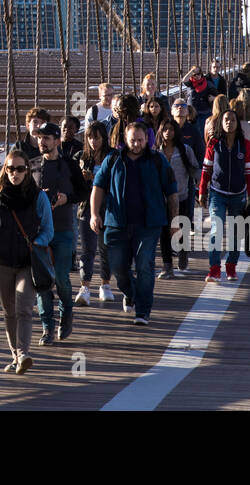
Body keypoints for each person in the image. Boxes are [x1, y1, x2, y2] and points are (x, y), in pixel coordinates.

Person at [90, 120, 179, 325]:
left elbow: (172, 192)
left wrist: (175, 222)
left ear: (146, 139)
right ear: (125, 140)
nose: (137, 144)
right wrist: (95, 214)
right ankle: (131, 292)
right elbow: (98, 187)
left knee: (144, 265)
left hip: (148, 225)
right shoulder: (112, 159)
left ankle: (142, 311)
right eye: (133, 140)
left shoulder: (158, 160)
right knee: (118, 268)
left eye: (140, 140)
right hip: (116, 224)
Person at [0, 149, 54, 374]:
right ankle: (15, 355)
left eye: (20, 169)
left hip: (26, 262)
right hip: (1, 262)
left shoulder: (38, 196)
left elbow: (48, 229)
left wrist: (36, 244)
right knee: (8, 311)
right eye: (11, 168)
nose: (15, 173)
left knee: (24, 307)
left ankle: (23, 353)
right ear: (5, 170)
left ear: (27, 170)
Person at [34, 122, 87, 343]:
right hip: (38, 232)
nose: (42, 141)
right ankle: (47, 327)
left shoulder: (69, 165)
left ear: (57, 141)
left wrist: (67, 198)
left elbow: (83, 192)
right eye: (39, 138)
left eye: (46, 138)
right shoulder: (32, 167)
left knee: (62, 279)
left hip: (63, 229)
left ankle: (66, 316)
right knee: (42, 282)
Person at [200, 109, 250, 282]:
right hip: (217, 193)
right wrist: (202, 190)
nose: (229, 122)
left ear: (237, 123)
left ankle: (231, 267)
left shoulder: (244, 144)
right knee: (216, 230)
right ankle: (214, 269)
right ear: (221, 122)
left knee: (235, 233)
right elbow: (206, 169)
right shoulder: (214, 143)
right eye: (226, 119)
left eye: (232, 120)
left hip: (238, 195)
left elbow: (249, 171)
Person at [75, 121, 115, 305]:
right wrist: (82, 180)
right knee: (87, 249)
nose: (93, 141)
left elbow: (116, 181)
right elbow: (73, 185)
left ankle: (105, 285)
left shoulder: (113, 157)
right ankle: (85, 287)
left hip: (109, 208)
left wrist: (97, 180)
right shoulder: (82, 157)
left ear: (103, 138)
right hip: (86, 208)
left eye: (96, 138)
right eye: (90, 137)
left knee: (105, 247)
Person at [156, 118, 200, 278]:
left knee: (180, 229)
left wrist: (202, 186)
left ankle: (183, 252)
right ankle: (167, 266)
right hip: (161, 199)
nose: (168, 132)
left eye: (171, 129)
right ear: (161, 131)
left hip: (182, 195)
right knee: (164, 232)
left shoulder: (185, 150)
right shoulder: (156, 152)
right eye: (165, 129)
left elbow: (195, 170)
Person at [171, 96, 206, 164]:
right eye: (176, 105)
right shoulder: (166, 128)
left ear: (187, 111)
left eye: (183, 105)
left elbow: (200, 153)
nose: (180, 107)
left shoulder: (193, 130)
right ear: (171, 111)